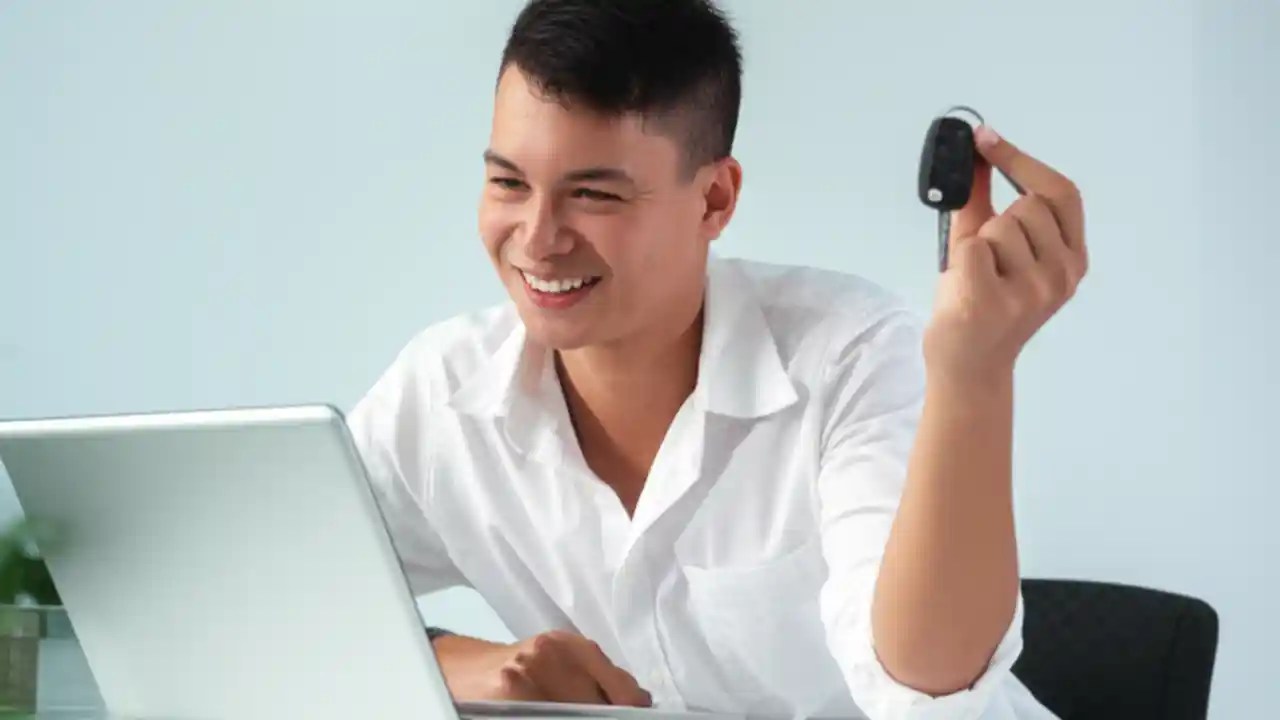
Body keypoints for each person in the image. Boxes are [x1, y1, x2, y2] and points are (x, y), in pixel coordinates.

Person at [346, 1, 1087, 718]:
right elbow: (258, 604)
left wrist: (974, 372)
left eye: (594, 194)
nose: (538, 238)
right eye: (508, 183)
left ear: (714, 200)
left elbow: (925, 693)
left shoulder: (848, 354)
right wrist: (456, 663)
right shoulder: (442, 391)